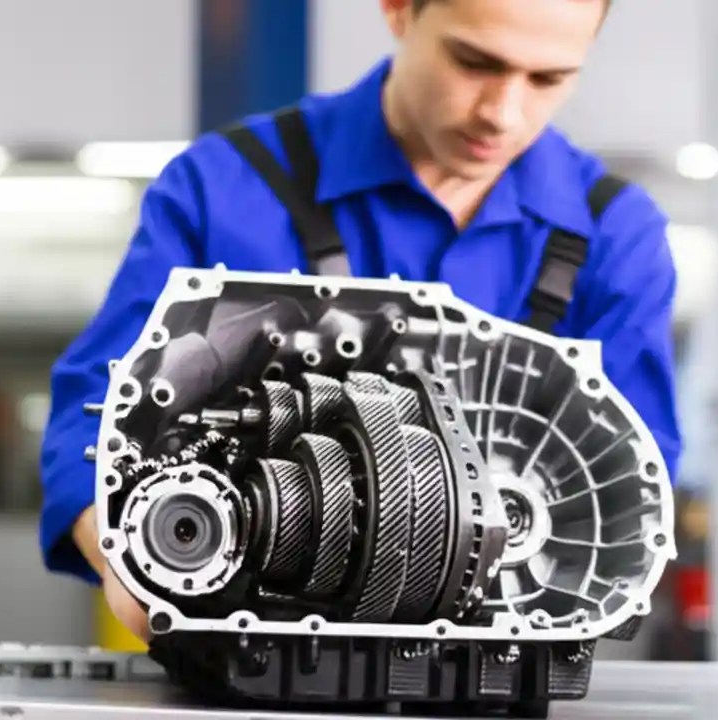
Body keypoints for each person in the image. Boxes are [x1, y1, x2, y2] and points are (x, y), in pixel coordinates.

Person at [38, 0, 682, 641]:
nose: (502, 113)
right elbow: (96, 406)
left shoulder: (614, 235)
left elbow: (633, 490)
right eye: (473, 61)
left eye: (549, 79)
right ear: (399, 10)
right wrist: (128, 558)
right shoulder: (225, 188)